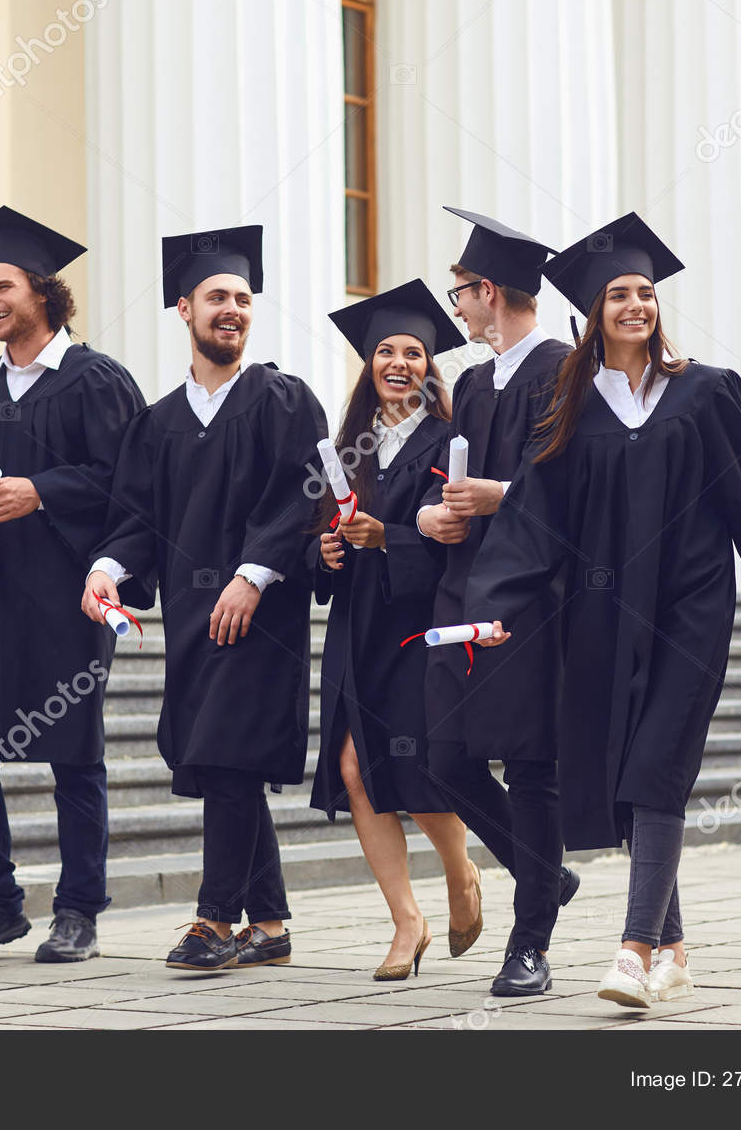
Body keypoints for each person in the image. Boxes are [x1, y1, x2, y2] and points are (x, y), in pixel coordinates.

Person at [464, 213, 741, 1008]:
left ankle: (632, 949)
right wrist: (495, 603)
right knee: (627, 780)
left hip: (690, 613)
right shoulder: (573, 408)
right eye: (620, 293)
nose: (637, 304)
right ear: (594, 312)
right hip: (602, 615)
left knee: (655, 770)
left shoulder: (706, 393)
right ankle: (675, 943)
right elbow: (535, 520)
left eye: (646, 291)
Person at [83, 225, 327, 971]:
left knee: (226, 754)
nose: (233, 310)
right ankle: (273, 926)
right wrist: (106, 569)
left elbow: (303, 497)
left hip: (263, 617)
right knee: (230, 765)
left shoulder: (284, 401)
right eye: (218, 297)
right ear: (184, 307)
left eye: (243, 299)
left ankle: (215, 920)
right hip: (195, 621)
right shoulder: (155, 424)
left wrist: (254, 574)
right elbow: (137, 522)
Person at [0, 207, 145, 964]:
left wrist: (43, 490)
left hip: (70, 589)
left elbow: (128, 485)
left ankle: (79, 908)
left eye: (3, 287)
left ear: (43, 293)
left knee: (73, 751)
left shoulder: (96, 380)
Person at [415, 207, 580, 997]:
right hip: (460, 589)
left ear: (487, 290)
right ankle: (544, 870)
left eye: (459, 296)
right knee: (442, 755)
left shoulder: (564, 371)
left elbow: (579, 491)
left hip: (530, 596)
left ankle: (531, 940)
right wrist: (433, 513)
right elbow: (441, 484)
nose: (458, 310)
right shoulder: (476, 383)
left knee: (530, 765)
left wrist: (501, 496)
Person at [309, 280, 480, 981]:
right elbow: (317, 536)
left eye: (414, 351)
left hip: (420, 626)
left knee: (418, 772)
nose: (400, 362)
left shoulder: (451, 442)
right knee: (355, 767)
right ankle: (407, 922)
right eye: (386, 350)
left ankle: (461, 871)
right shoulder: (345, 447)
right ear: (370, 364)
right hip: (356, 627)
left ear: (429, 366)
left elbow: (460, 540)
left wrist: (391, 538)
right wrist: (324, 550)